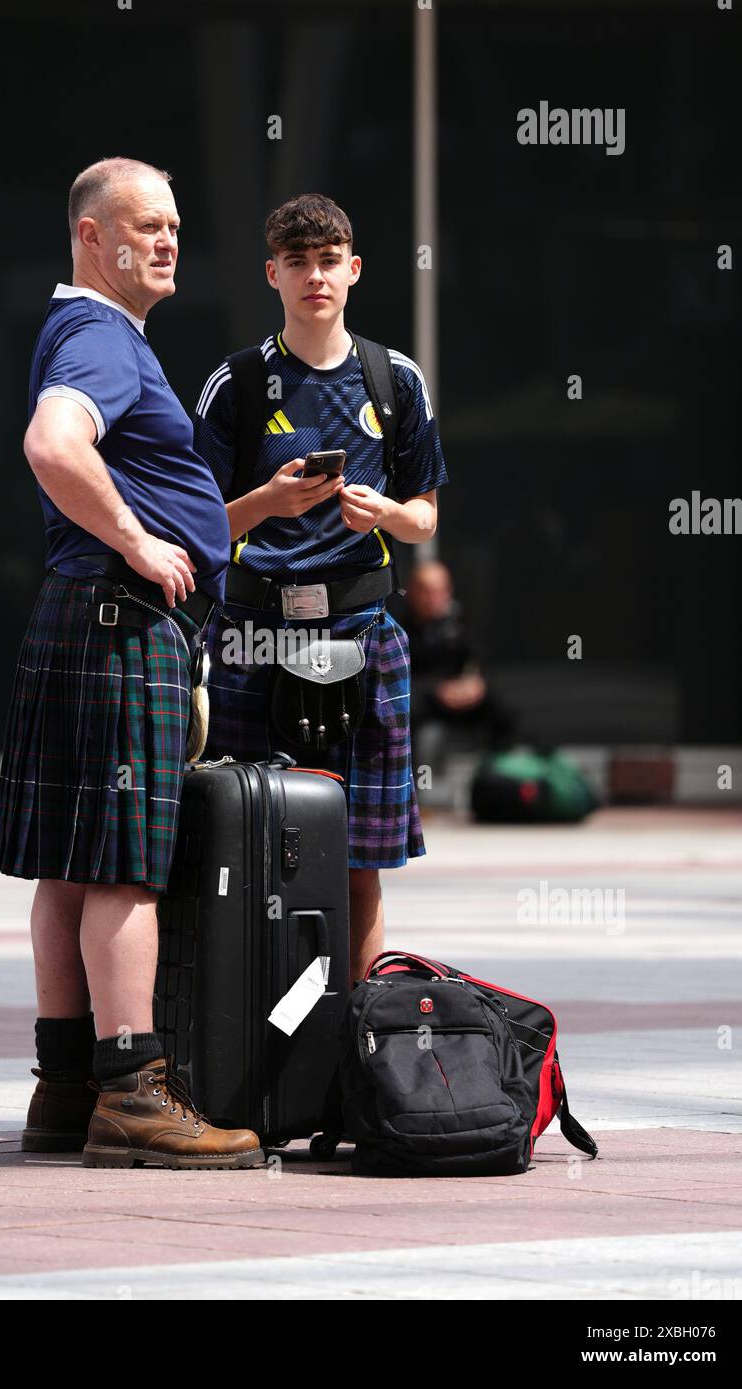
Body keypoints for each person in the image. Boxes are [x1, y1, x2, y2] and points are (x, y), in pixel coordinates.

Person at [0, 156, 264, 1170]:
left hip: (82, 617)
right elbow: (53, 444)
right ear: (90, 238)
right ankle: (133, 1093)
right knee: (122, 867)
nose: (166, 240)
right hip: (119, 621)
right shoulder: (101, 337)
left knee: (69, 863)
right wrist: (139, 541)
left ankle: (64, 1089)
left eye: (175, 225)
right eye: (144, 224)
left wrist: (225, 519)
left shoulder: (85, 331)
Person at [193, 193, 447, 986]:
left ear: (355, 269)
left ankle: (358, 1043)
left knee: (362, 857)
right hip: (251, 636)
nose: (315, 276)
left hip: (362, 629)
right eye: (297, 262)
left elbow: (424, 523)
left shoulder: (394, 378)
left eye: (328, 260)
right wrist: (268, 502)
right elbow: (196, 530)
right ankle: (238, 1045)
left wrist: (383, 510)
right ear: (273, 273)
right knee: (238, 848)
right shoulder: (234, 384)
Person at [402, 560, 516, 753]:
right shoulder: (399, 629)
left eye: (440, 591)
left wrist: (475, 683)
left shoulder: (459, 622)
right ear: (413, 593)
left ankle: (498, 771)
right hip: (424, 700)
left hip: (461, 699)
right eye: (427, 591)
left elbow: (479, 659)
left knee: (503, 706)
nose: (434, 599)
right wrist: (437, 690)